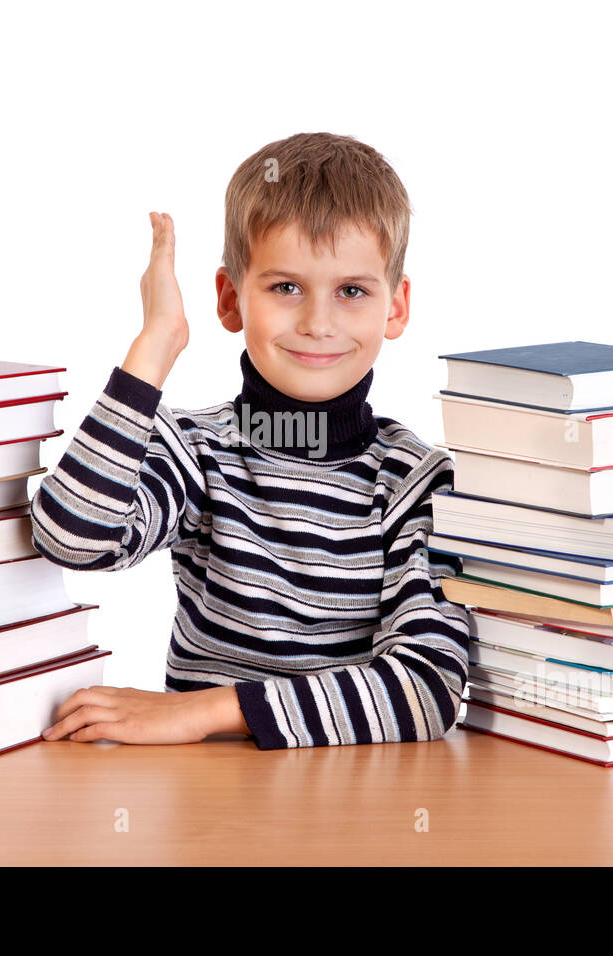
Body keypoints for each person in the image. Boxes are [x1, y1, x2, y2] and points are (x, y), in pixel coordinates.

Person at [30, 131, 470, 749]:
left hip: (359, 807)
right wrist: (153, 349)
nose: (318, 323)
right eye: (285, 287)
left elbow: (428, 688)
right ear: (232, 299)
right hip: (208, 808)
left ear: (394, 308)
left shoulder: (414, 481)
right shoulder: (197, 450)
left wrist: (210, 711)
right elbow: (72, 539)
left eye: (352, 291)